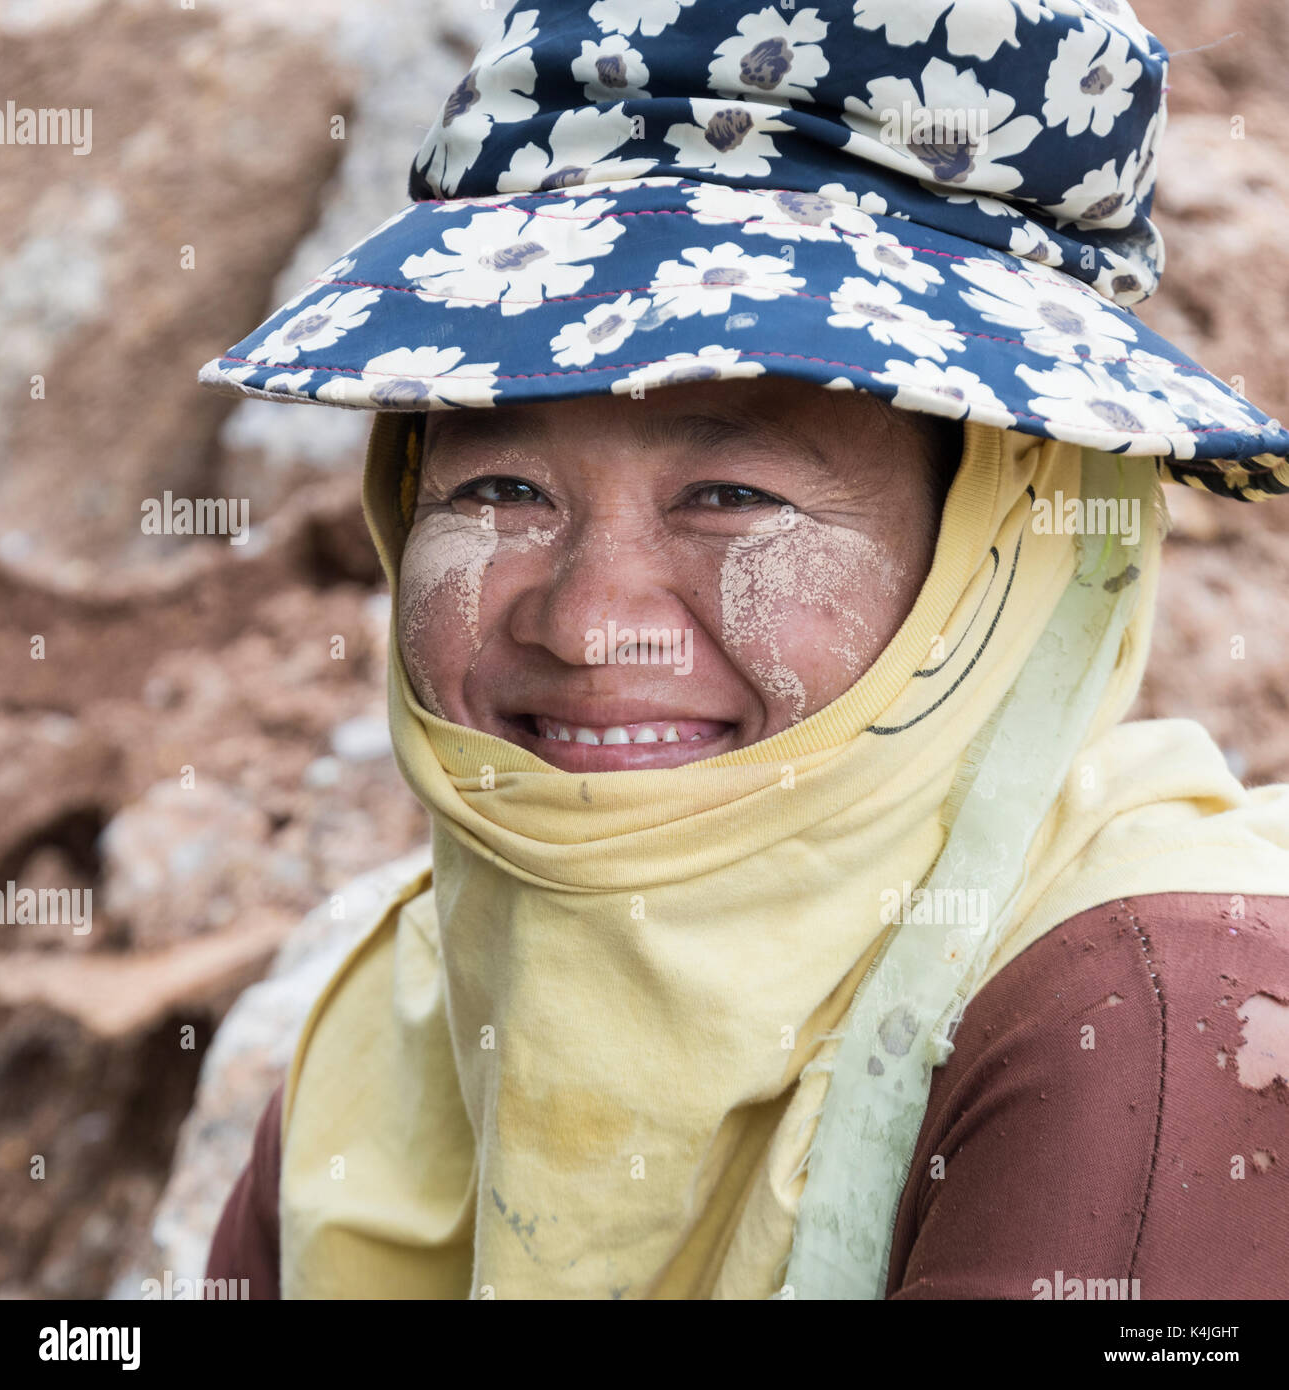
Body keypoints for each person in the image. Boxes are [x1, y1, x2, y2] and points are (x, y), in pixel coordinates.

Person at [198, 0, 1289, 1299]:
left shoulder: (1165, 1020)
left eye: (733, 496)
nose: (590, 620)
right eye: (500, 491)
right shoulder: (385, 1027)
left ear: (1004, 539)